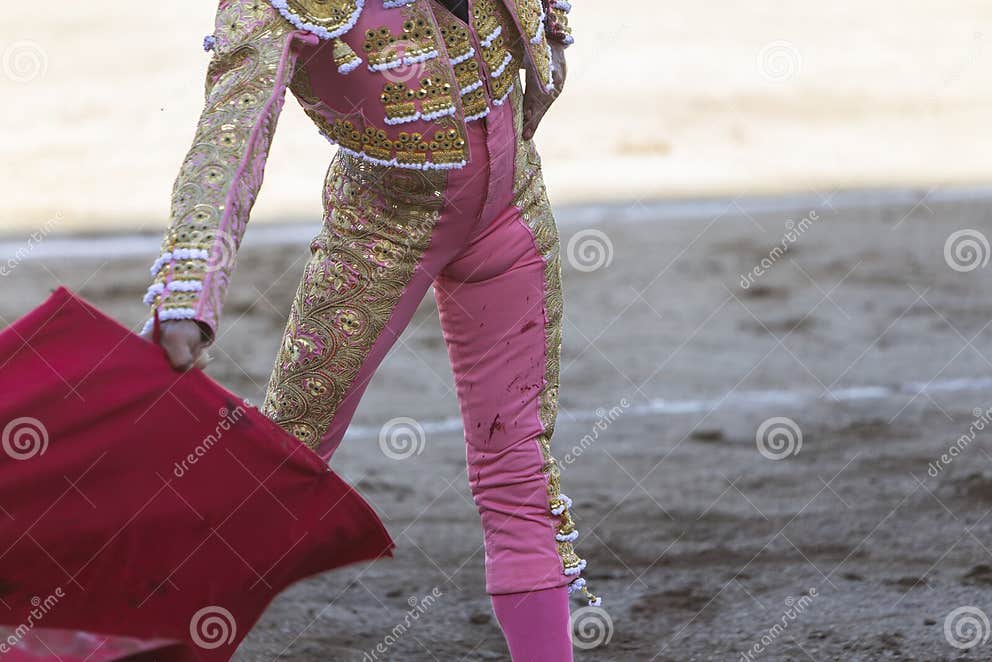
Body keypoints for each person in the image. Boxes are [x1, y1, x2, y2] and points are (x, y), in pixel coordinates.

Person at [140, 0, 594, 658]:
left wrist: (552, 32)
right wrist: (188, 291)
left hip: (510, 207)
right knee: (278, 472)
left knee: (520, 466)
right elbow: (230, 136)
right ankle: (133, 632)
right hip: (380, 232)